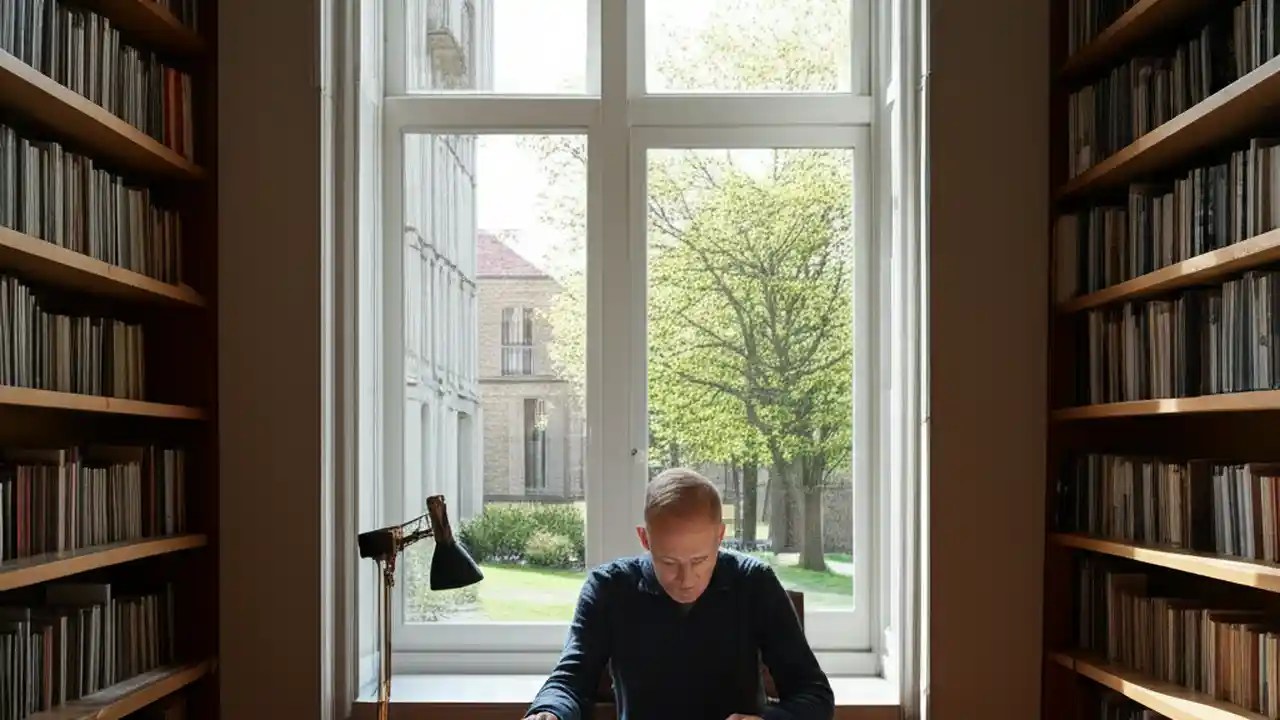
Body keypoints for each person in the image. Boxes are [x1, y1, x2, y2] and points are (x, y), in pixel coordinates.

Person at [522, 468, 835, 720]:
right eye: (669, 562)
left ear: (720, 536)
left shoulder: (754, 583)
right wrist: (549, 712)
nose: (686, 580)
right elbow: (571, 680)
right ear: (645, 539)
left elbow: (814, 694)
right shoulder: (608, 588)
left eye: (700, 561)